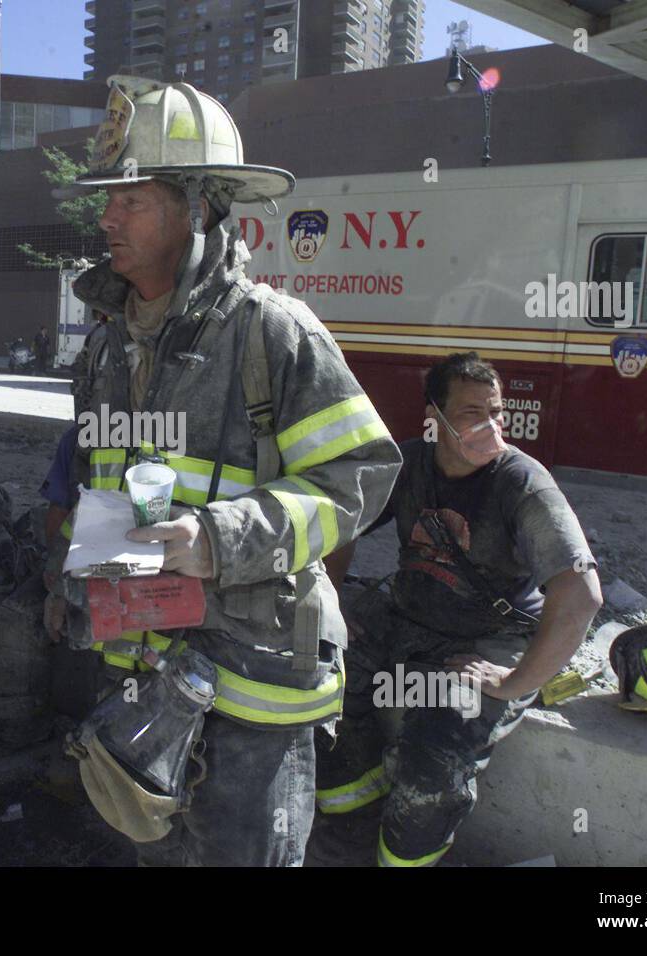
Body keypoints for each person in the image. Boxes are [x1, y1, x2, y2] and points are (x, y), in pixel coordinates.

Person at [51, 75, 402, 866]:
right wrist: (77, 593)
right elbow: (101, 489)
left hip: (255, 702)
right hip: (145, 681)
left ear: (199, 205)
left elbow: (359, 479)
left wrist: (215, 538)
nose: (107, 217)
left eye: (132, 198)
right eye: (107, 198)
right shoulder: (108, 347)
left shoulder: (271, 333)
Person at [308, 352, 602, 867]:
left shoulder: (521, 483)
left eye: (497, 412)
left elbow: (581, 594)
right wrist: (331, 602)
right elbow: (342, 523)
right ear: (434, 418)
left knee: (432, 765)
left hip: (484, 639)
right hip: (407, 618)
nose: (489, 426)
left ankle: (404, 859)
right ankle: (351, 830)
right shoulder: (409, 464)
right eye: (471, 413)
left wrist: (515, 680)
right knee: (318, 687)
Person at [0, 425, 80, 757]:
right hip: (79, 559)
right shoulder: (81, 438)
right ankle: (20, 725)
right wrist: (55, 574)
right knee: (18, 614)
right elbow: (57, 513)